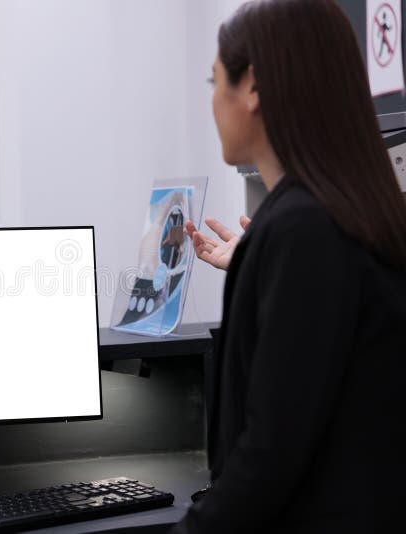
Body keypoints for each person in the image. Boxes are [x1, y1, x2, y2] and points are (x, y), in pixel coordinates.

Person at [170, 1, 406, 533]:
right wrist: (261, 276)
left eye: (215, 82)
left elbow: (270, 454)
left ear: (251, 86)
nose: (212, 103)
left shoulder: (304, 229)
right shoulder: (343, 213)